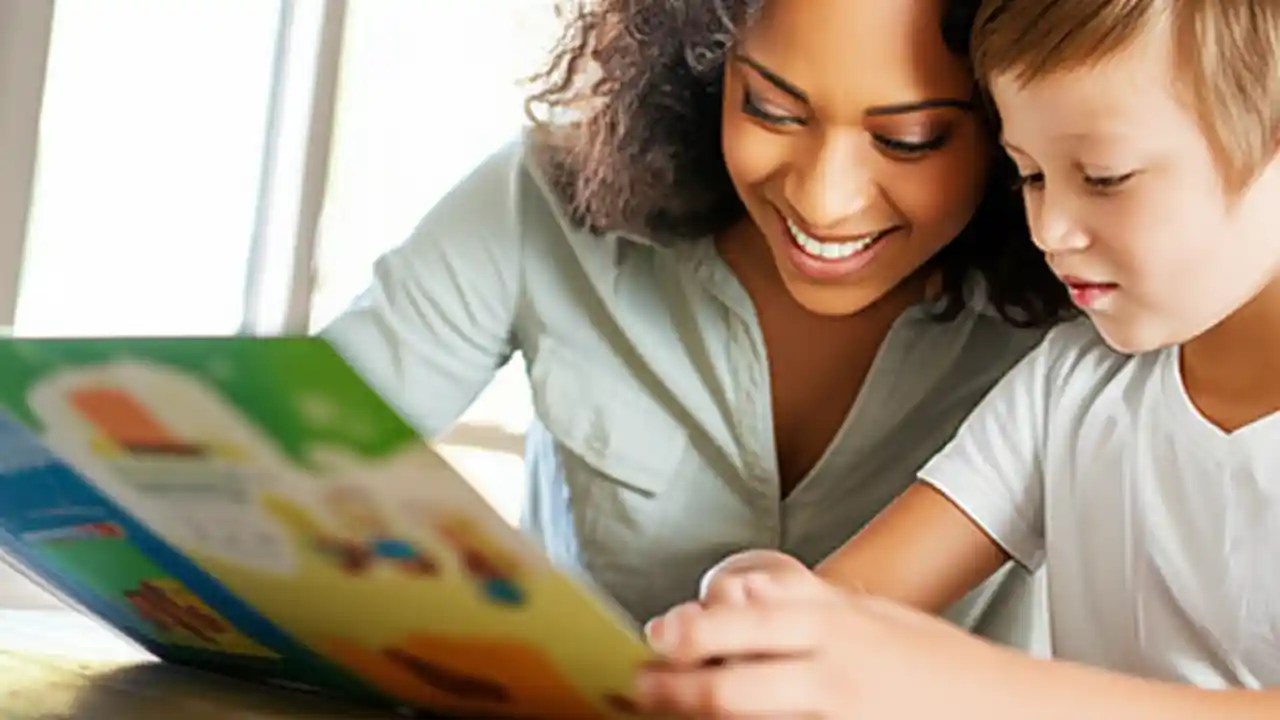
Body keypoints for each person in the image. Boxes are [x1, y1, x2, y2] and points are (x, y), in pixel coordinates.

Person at [320, 0, 1072, 644]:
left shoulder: (1087, 320)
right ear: (701, 65)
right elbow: (283, 450)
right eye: (771, 111)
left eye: (907, 141)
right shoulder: (542, 207)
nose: (824, 199)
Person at [636, 0, 1280, 717]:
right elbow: (856, 598)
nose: (1051, 230)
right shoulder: (1070, 386)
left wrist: (963, 684)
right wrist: (769, 608)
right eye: (1030, 176)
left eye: (1103, 177)